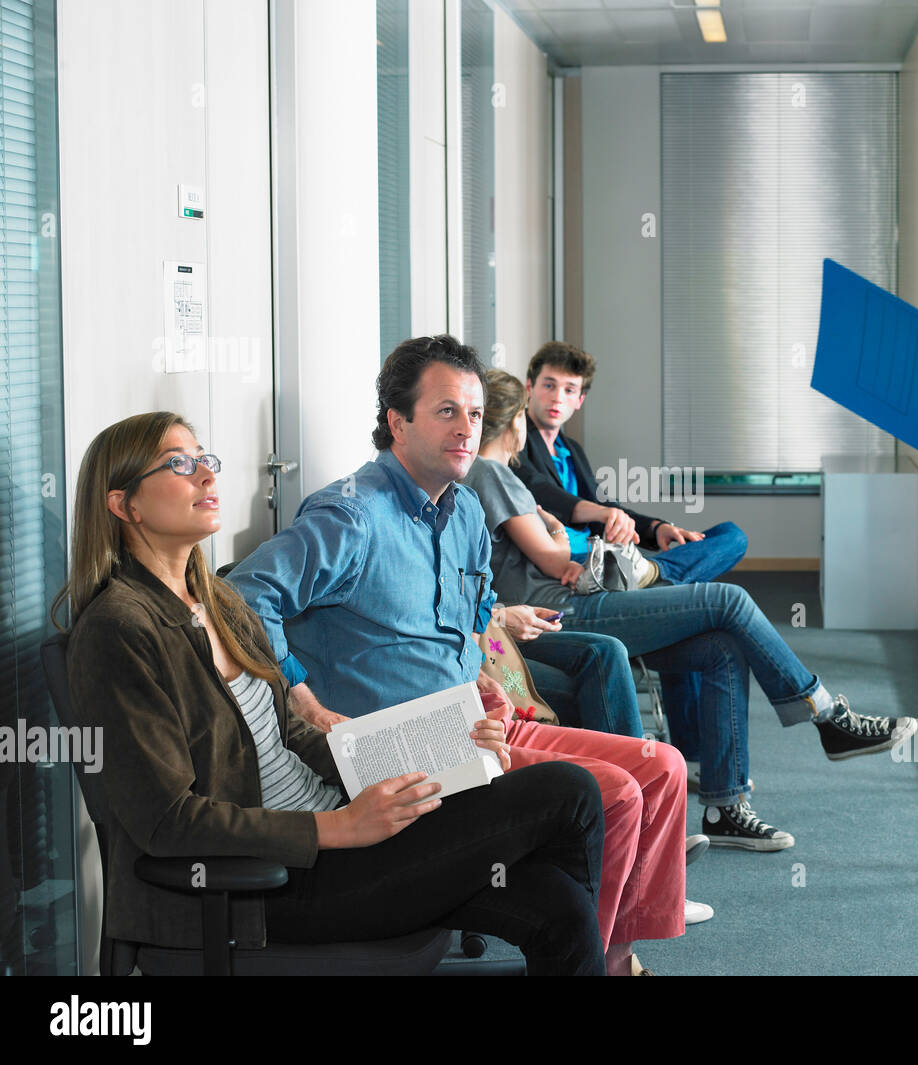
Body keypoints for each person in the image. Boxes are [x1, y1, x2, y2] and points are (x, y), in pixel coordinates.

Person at [55, 412, 606, 974]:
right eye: (178, 464)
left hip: (338, 825)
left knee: (558, 906)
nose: (205, 476)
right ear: (124, 505)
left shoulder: (217, 601)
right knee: (568, 789)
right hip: (270, 882)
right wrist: (338, 829)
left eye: (205, 459)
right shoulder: (119, 630)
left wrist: (446, 749)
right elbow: (168, 821)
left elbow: (292, 735)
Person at [228, 336, 688, 974]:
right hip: (400, 748)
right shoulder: (352, 515)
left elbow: (475, 620)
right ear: (398, 421)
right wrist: (308, 704)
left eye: (474, 414)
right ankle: (602, 959)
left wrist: (491, 693)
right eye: (446, 411)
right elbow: (240, 598)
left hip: (471, 726)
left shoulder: (465, 508)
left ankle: (616, 952)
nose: (466, 429)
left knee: (661, 766)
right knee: (611, 792)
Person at [464, 369, 918, 852]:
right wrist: (555, 529)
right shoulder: (493, 472)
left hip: (573, 601)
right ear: (515, 419)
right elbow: (554, 561)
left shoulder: (496, 474)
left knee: (721, 647)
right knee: (728, 600)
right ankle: (825, 714)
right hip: (565, 610)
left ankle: (726, 806)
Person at [514, 341, 749, 775]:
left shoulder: (570, 450)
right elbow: (559, 501)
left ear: (580, 400)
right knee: (710, 612)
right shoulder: (515, 447)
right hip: (584, 578)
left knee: (729, 536)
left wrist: (657, 527)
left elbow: (604, 503)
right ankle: (659, 577)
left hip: (617, 560)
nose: (556, 398)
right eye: (548, 386)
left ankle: (659, 575)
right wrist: (606, 514)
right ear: (530, 388)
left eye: (569, 390)